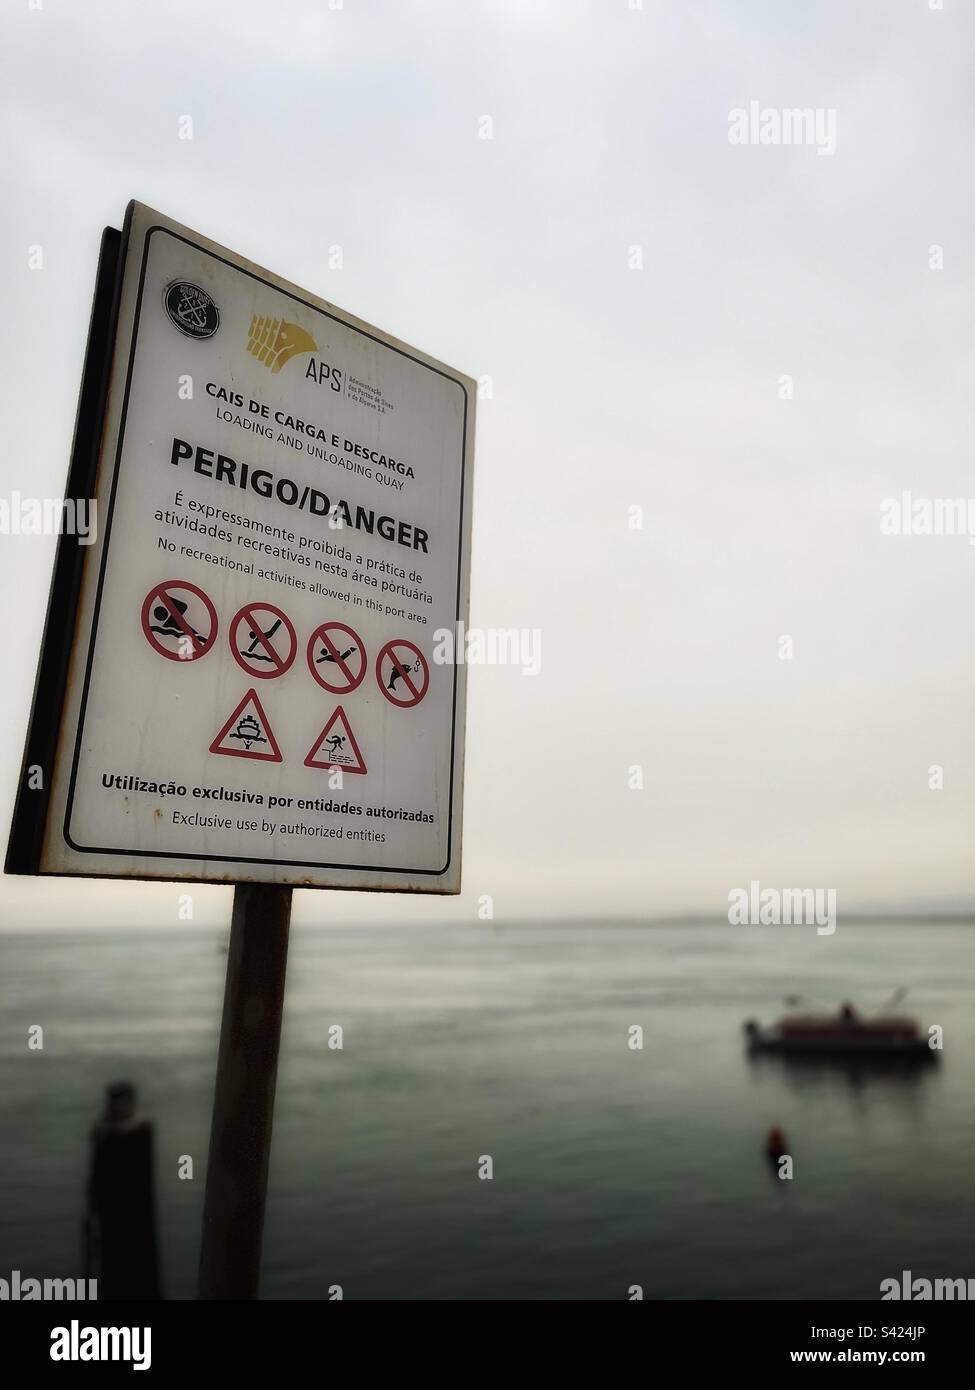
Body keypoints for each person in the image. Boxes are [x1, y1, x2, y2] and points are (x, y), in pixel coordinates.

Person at [84, 1082, 162, 1300]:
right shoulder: (107, 1133)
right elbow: (95, 1178)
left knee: (125, 1269)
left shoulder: (135, 1132)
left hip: (130, 1216)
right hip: (114, 1215)